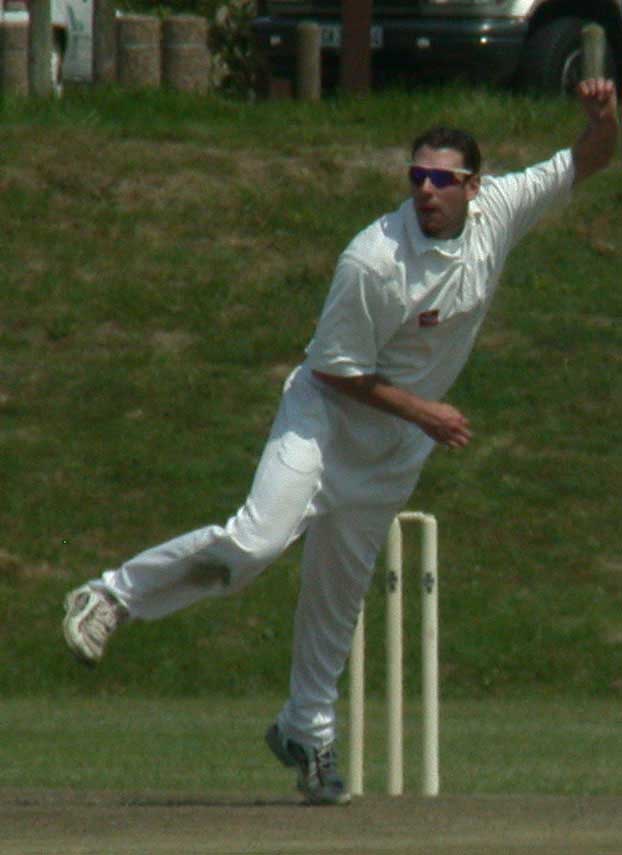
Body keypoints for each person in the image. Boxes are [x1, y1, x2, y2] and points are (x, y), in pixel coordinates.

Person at [63, 78, 618, 806]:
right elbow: (334, 367)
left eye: (441, 179)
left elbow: (589, 159)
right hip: (323, 419)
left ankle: (306, 731)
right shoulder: (374, 259)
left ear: (473, 188)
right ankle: (110, 595)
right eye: (416, 176)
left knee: (338, 596)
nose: (425, 190)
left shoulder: (501, 211)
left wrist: (604, 117)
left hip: (392, 450)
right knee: (256, 545)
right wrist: (426, 411)